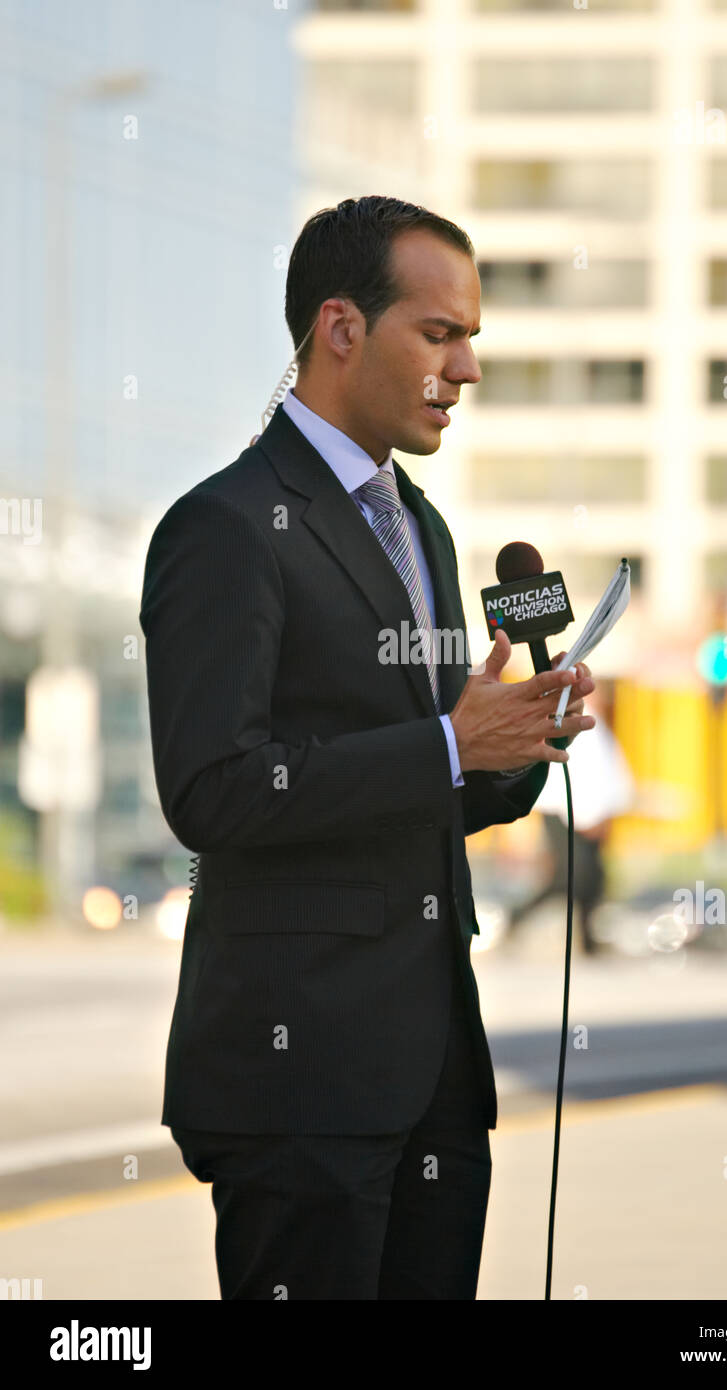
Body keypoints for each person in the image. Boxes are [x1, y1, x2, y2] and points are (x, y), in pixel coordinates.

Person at [139, 195, 595, 1301]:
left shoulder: (423, 527)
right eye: (439, 333)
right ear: (341, 329)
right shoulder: (228, 526)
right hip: (301, 1092)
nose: (467, 367)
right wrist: (446, 742)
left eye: (471, 336)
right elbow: (214, 789)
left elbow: (437, 781)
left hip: (434, 1073)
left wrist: (511, 741)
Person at [505, 682, 634, 954]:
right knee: (569, 878)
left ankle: (588, 939)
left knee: (590, 879)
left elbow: (608, 777)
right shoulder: (572, 727)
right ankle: (518, 917)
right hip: (566, 813)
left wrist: (601, 815)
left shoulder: (600, 732)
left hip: (588, 817)